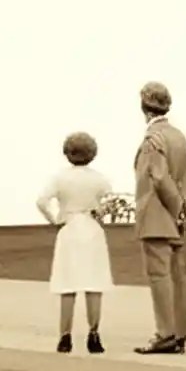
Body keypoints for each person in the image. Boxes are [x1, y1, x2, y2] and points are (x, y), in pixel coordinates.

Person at [35, 131, 115, 354]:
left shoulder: (60, 178)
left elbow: (41, 201)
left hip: (69, 226)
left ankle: (65, 336)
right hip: (91, 227)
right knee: (94, 284)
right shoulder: (99, 178)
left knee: (67, 285)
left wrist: (54, 220)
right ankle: (94, 334)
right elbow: (109, 203)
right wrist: (98, 212)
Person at [132, 81, 186, 355]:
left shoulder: (152, 140)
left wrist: (176, 208)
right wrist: (185, 211)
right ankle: (179, 333)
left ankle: (165, 333)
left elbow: (158, 177)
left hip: (158, 214)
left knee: (159, 276)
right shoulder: (180, 136)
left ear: (144, 107)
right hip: (179, 217)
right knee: (179, 276)